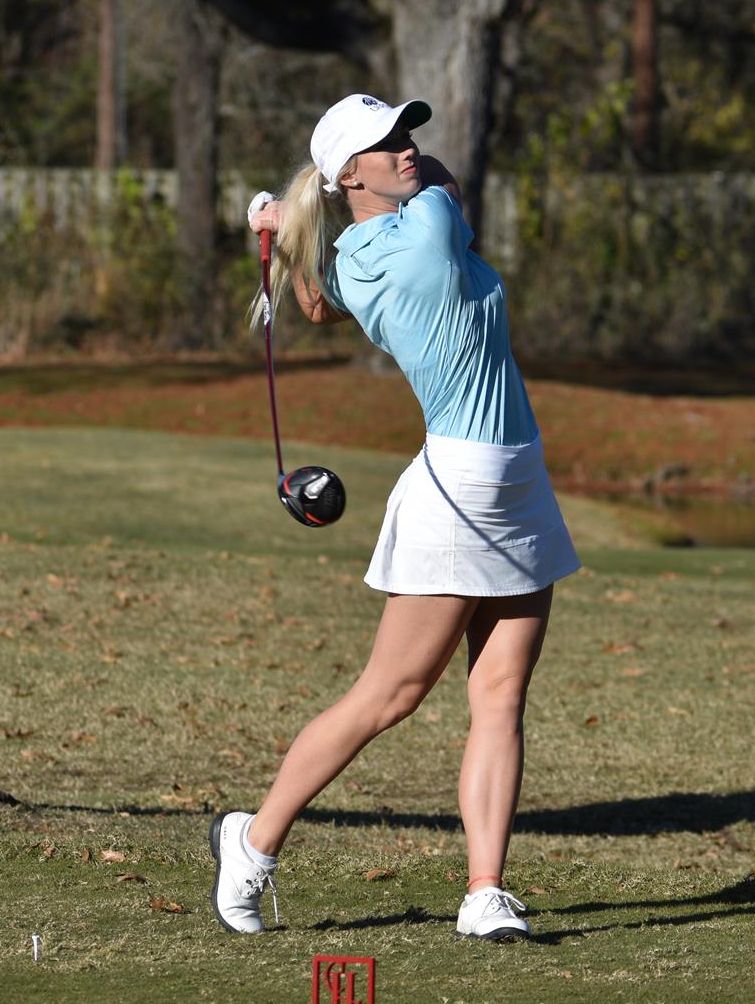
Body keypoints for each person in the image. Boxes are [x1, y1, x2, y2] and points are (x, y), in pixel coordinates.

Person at [209, 94, 581, 942]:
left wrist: (276, 221)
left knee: (500, 695)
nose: (409, 150)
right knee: (390, 694)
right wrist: (288, 214)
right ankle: (252, 842)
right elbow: (449, 185)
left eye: (407, 135)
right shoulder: (429, 226)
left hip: (515, 478)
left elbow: (312, 302)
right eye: (384, 144)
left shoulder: (352, 256)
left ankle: (485, 889)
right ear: (350, 173)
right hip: (462, 487)